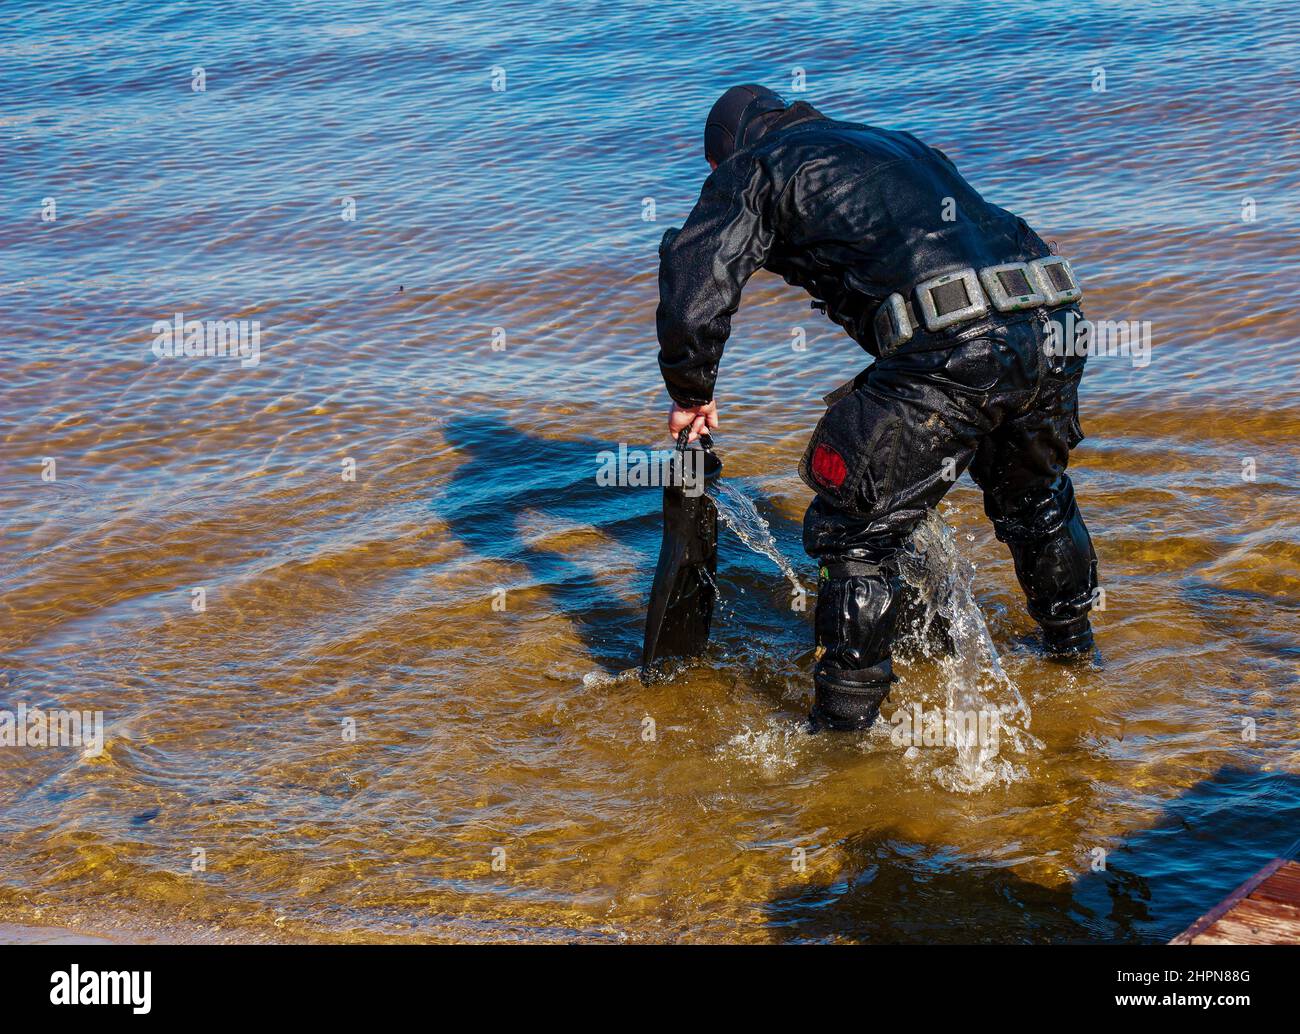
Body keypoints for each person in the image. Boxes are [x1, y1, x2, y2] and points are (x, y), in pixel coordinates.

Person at [655, 84, 1099, 732]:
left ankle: (842, 738)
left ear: (724, 152)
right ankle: (1076, 662)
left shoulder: (755, 167)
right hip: (1055, 320)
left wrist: (691, 392)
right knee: (1035, 499)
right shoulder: (892, 145)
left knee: (854, 537)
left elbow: (698, 275)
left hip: (956, 342)